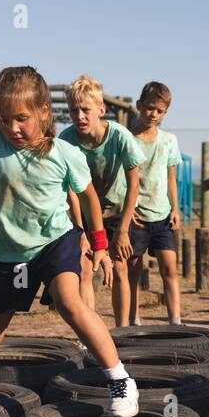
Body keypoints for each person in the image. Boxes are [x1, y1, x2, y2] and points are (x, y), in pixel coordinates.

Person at [0, 66, 139, 416]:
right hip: (5, 254)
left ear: (44, 112)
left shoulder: (63, 152)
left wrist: (99, 246)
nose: (12, 128)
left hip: (55, 241)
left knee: (70, 302)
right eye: (4, 119)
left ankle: (120, 379)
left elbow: (89, 198)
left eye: (21, 118)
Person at [58, 74, 144, 323]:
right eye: (74, 110)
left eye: (85, 109)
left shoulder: (119, 137)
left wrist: (124, 229)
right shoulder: (66, 141)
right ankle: (90, 332)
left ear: (101, 109)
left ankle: (122, 331)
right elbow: (70, 192)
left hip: (117, 212)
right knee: (86, 269)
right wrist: (81, 230)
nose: (80, 116)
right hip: (84, 213)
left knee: (120, 267)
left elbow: (134, 184)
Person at [121, 81, 184, 325]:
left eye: (159, 111)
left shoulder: (169, 140)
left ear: (165, 113)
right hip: (137, 217)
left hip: (163, 216)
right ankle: (134, 320)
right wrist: (127, 211)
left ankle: (175, 321)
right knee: (133, 272)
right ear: (139, 106)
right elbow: (121, 179)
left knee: (170, 269)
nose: (153, 114)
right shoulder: (127, 139)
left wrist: (176, 209)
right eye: (149, 108)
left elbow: (171, 178)